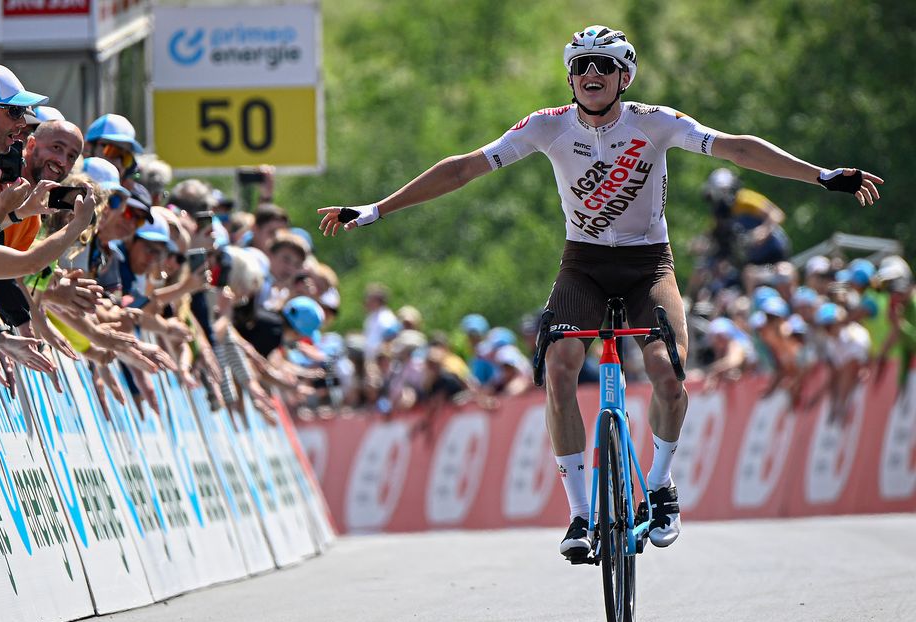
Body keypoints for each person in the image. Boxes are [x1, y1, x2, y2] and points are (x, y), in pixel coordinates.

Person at [318, 25, 883, 558]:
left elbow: (736, 148)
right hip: (582, 265)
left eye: (604, 66)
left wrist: (821, 176)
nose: (591, 73)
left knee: (666, 372)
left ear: (624, 77)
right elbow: (465, 169)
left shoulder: (655, 122)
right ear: (570, 77)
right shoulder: (547, 125)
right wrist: (376, 210)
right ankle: (582, 515)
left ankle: (659, 487)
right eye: (581, 66)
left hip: (647, 266)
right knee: (560, 368)